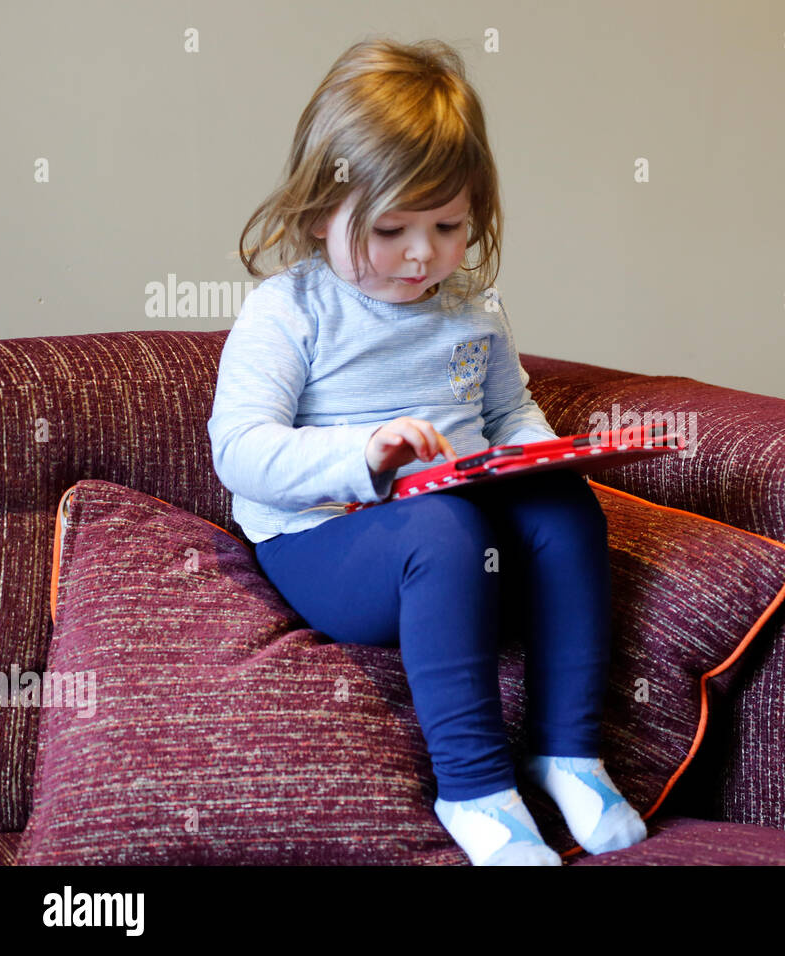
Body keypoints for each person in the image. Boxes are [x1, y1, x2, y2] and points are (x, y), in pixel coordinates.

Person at [208, 37, 646, 866]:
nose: (422, 254)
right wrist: (364, 455)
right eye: (391, 229)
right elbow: (241, 447)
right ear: (316, 214)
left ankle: (569, 753)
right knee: (441, 529)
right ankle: (477, 790)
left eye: (449, 225)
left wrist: (545, 457)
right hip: (330, 541)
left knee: (562, 505)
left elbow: (510, 409)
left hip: (465, 525)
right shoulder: (288, 312)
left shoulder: (473, 311)